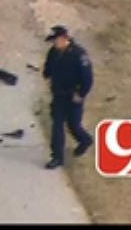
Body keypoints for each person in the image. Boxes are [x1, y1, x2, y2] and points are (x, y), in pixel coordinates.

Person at [42, 25, 94, 169]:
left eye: (55, 40)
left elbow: (88, 79)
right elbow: (48, 68)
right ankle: (57, 157)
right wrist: (47, 77)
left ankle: (85, 140)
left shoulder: (79, 55)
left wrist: (81, 94)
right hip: (58, 95)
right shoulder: (54, 52)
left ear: (64, 38)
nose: (54, 43)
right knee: (57, 125)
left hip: (73, 96)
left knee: (73, 125)